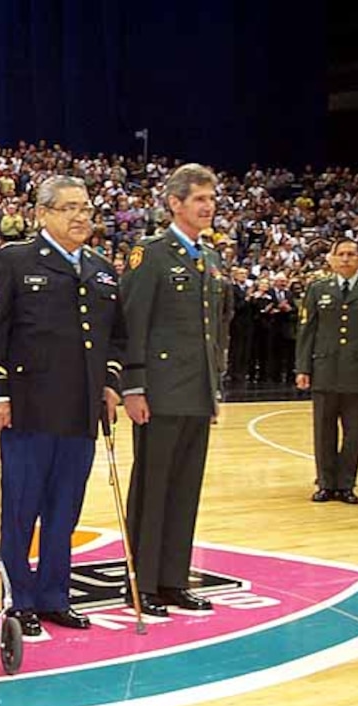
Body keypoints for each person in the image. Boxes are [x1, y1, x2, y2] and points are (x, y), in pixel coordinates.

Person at [0, 177, 126, 636]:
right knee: (21, 507)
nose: (81, 217)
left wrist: (110, 383)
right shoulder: (13, 261)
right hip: (28, 408)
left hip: (80, 412)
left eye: (86, 208)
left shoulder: (101, 269)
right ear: (42, 214)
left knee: (65, 509)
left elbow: (115, 337)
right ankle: (18, 598)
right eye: (69, 208)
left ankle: (55, 594)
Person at [120, 163, 225, 618]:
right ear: (175, 203)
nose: (208, 207)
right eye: (199, 198)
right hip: (159, 392)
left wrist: (213, 387)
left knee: (185, 488)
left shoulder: (209, 258)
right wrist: (134, 386)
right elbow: (132, 324)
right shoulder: (152, 254)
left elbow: (213, 331)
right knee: (153, 487)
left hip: (196, 392)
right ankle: (142, 583)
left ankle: (174, 579)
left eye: (212, 199)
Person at [295, 238, 358, 504]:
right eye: (342, 254)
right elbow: (307, 331)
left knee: (353, 433)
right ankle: (326, 483)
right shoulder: (317, 290)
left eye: (352, 254)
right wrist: (303, 367)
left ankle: (346, 484)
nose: (347, 258)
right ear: (332, 259)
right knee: (323, 431)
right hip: (324, 369)